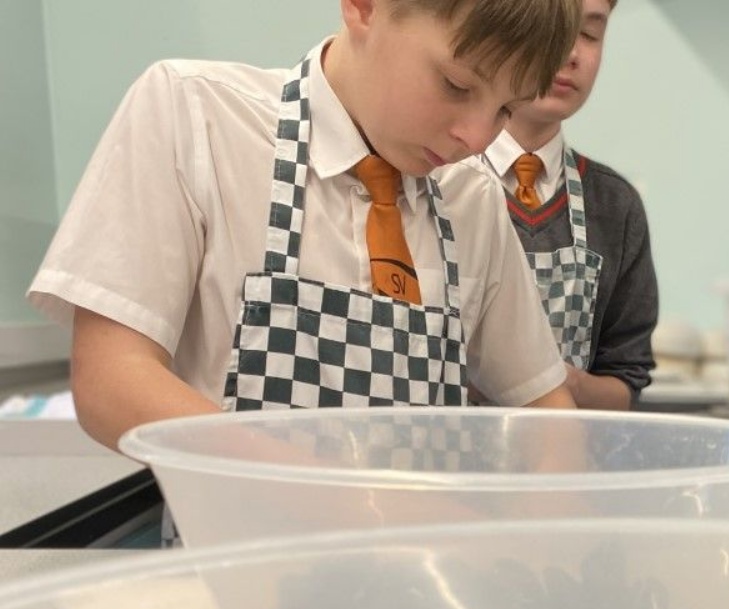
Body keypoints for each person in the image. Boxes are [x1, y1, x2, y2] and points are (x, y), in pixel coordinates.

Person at [27, 0, 581, 453]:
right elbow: (110, 381)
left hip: (419, 574)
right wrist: (322, 492)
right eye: (456, 85)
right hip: (237, 573)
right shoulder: (198, 116)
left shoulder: (471, 198)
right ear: (365, 7)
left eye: (507, 110)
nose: (478, 137)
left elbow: (546, 410)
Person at [481, 0, 656, 410]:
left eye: (591, 34)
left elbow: (626, 379)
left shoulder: (615, 205)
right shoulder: (437, 179)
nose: (571, 53)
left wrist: (563, 388)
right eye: (552, 26)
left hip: (562, 466)